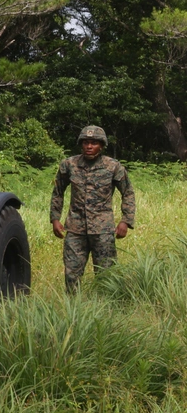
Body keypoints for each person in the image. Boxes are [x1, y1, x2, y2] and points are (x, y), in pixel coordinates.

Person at [50, 125, 135, 292]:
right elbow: (58, 192)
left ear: (101, 145)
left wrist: (126, 221)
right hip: (75, 228)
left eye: (94, 143)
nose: (89, 146)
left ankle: (107, 304)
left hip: (102, 230)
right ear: (81, 144)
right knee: (72, 274)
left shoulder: (113, 167)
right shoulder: (69, 165)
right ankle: (73, 305)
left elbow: (128, 193)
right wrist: (55, 219)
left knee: (106, 274)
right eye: (86, 143)